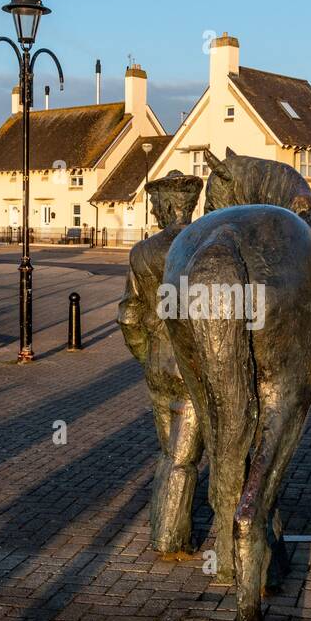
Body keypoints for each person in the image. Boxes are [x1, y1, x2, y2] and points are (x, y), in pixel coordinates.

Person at [117, 171, 204, 556]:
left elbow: (129, 317)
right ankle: (169, 537)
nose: (153, 212)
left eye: (155, 206)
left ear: (168, 206)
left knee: (171, 450)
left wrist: (146, 356)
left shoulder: (143, 253)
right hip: (199, 367)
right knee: (183, 457)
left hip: (158, 364)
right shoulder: (210, 246)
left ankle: (167, 530)